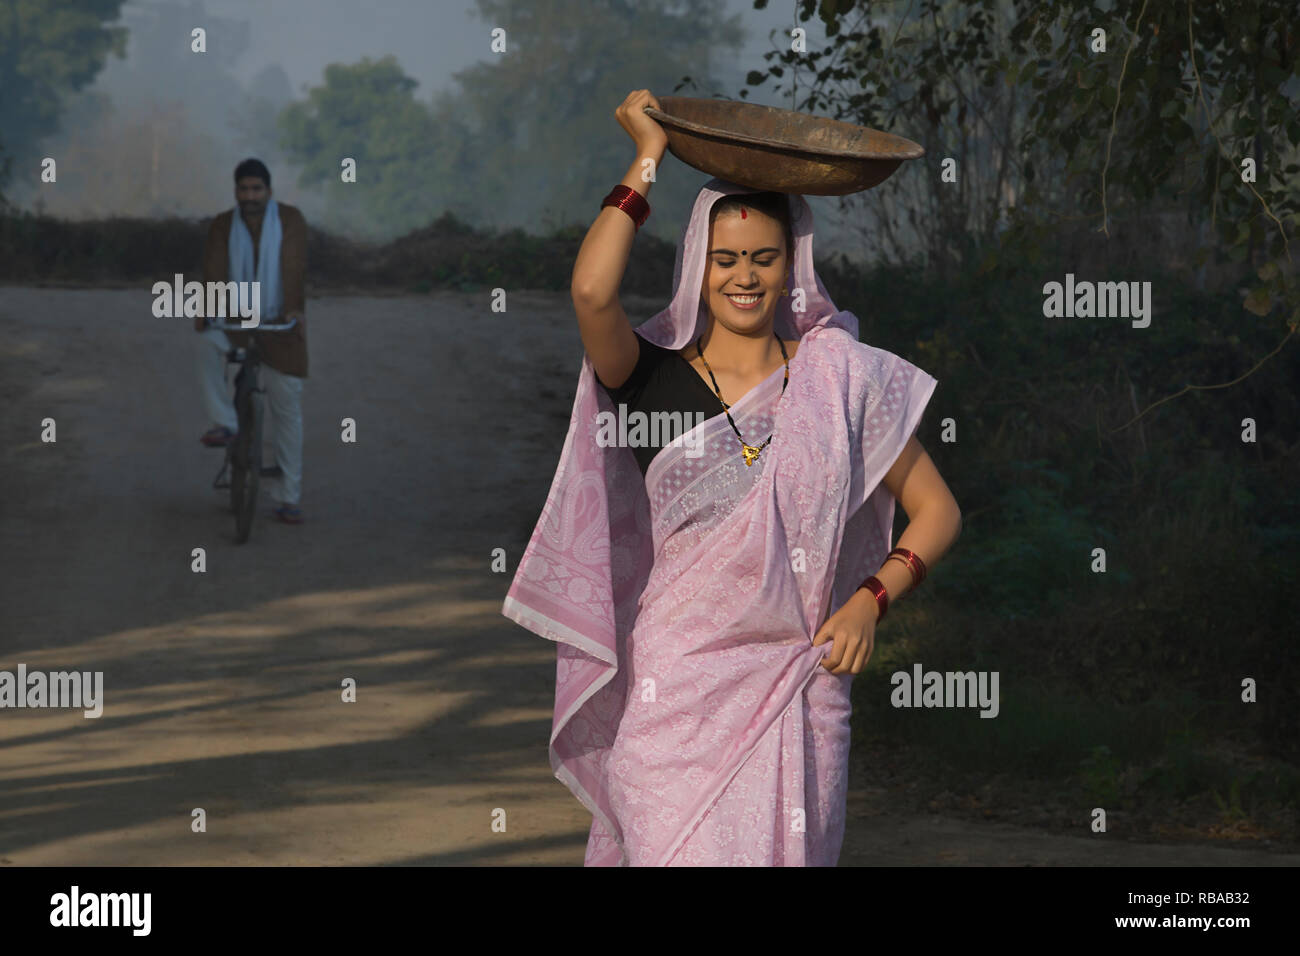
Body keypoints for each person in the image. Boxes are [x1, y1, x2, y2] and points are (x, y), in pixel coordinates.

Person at [502, 90, 962, 866]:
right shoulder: (647, 377)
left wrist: (869, 600)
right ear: (697, 265)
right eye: (725, 259)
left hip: (795, 688)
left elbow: (937, 511)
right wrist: (646, 157)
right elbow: (591, 292)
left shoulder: (839, 378)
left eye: (763, 257)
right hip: (673, 702)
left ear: (793, 266)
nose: (744, 277)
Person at [195, 158, 308, 524]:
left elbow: (293, 265)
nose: (250, 196)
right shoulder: (223, 225)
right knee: (205, 341)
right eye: (243, 189)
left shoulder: (290, 220)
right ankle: (225, 422)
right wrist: (209, 309)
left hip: (280, 322)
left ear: (269, 191)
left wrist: (291, 309)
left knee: (286, 406)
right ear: (235, 192)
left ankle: (289, 495)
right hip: (236, 320)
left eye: (257, 189)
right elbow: (213, 270)